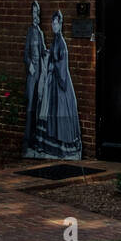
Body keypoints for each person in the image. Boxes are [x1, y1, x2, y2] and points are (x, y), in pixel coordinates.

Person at [37, 9, 82, 159]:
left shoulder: (61, 42)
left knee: (60, 112)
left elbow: (61, 64)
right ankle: (52, 145)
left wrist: (52, 66)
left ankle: (63, 147)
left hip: (61, 84)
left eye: (56, 23)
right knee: (52, 113)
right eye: (53, 23)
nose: (54, 26)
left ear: (61, 24)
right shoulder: (55, 40)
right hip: (54, 82)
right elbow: (54, 56)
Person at [22, 1, 49, 156]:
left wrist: (48, 53)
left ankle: (36, 139)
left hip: (41, 72)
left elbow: (43, 49)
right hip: (33, 72)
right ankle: (27, 141)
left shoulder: (40, 32)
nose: (35, 15)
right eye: (33, 12)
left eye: (37, 13)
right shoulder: (30, 31)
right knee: (30, 106)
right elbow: (25, 53)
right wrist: (30, 64)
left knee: (39, 105)